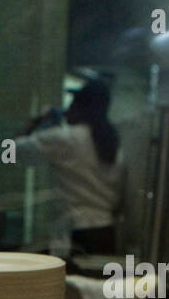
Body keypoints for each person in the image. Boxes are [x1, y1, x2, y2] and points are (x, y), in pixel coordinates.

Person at [14, 79, 125, 255]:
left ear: (79, 107)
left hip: (77, 232)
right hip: (105, 231)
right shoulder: (111, 141)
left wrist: (35, 122)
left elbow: (10, 152)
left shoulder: (66, 138)